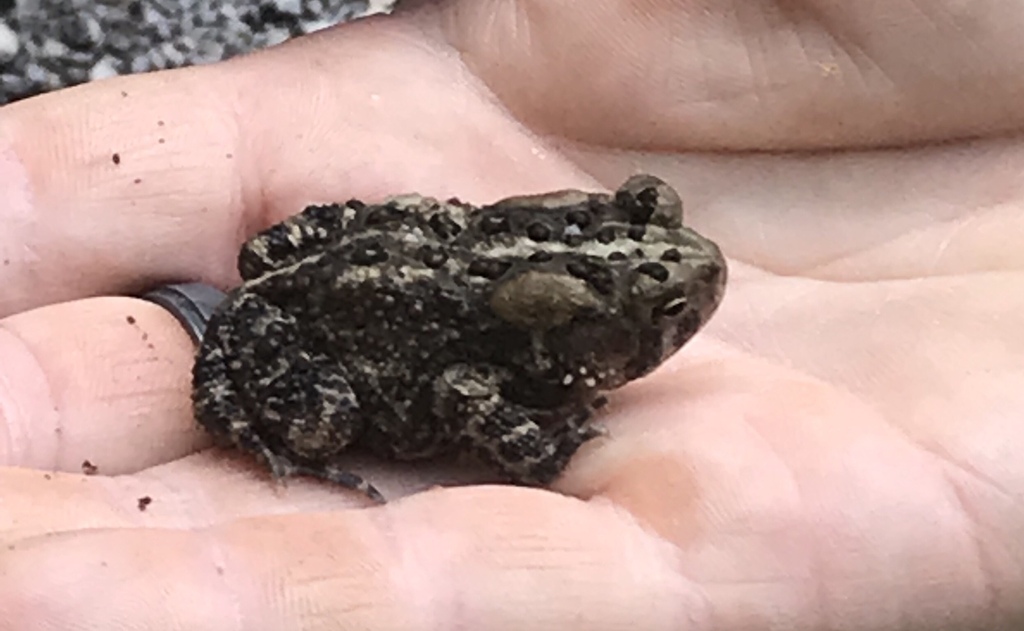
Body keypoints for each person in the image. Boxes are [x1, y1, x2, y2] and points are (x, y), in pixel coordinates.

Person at [1, 1, 1020, 628]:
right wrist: (543, 444)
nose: (691, 274)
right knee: (315, 412)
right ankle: (282, 430)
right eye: (658, 307)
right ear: (572, 335)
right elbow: (460, 385)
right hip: (332, 327)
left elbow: (448, 357)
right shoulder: (504, 351)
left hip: (401, 263)